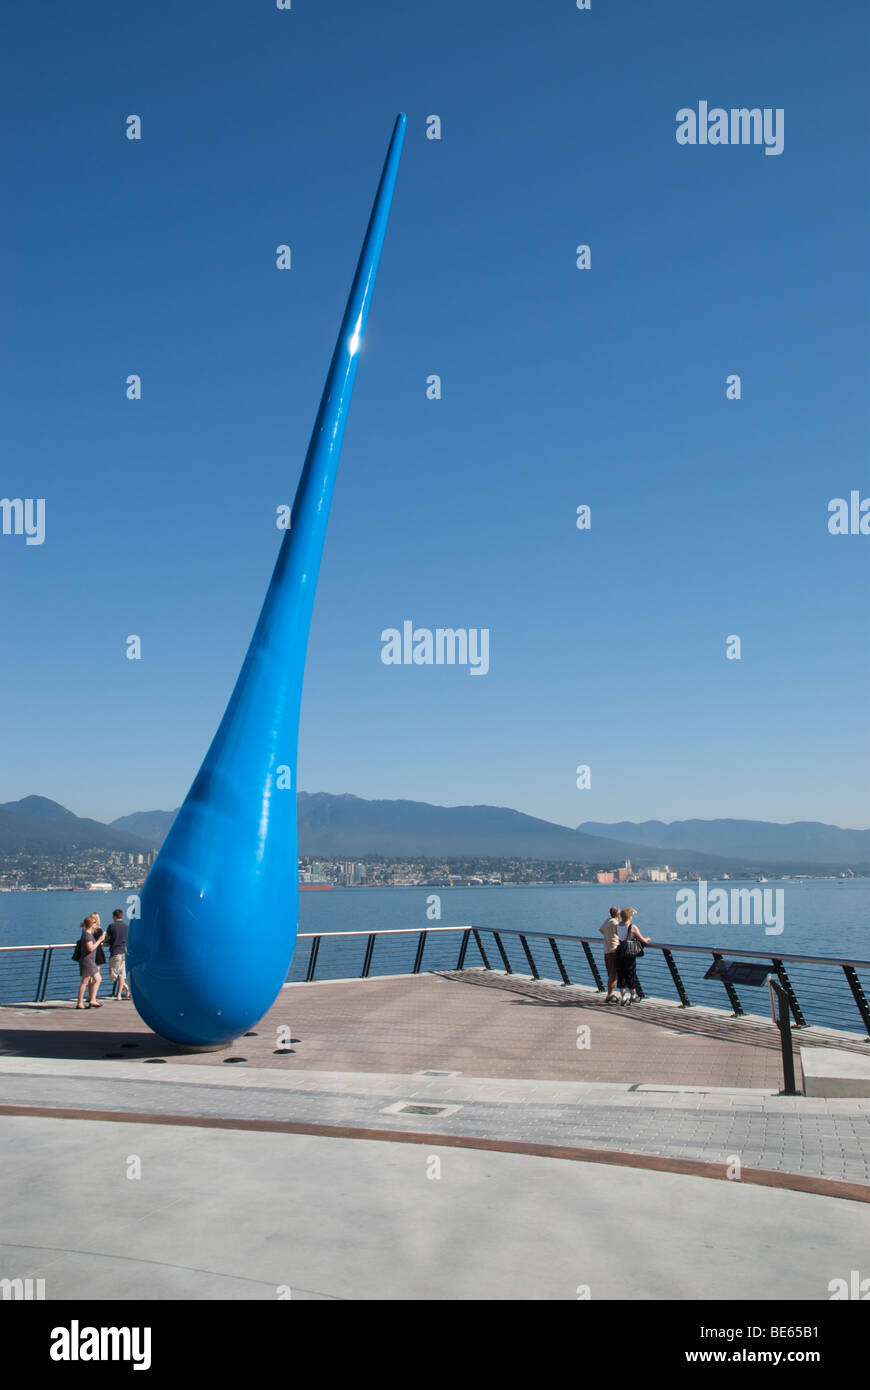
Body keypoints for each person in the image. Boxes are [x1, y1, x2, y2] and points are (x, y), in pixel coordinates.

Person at [615, 907, 650, 1006]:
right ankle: (633, 995)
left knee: (621, 974)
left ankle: (623, 997)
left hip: (620, 952)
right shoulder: (632, 927)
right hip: (629, 953)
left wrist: (631, 910)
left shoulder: (618, 926)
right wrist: (647, 939)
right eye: (632, 915)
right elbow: (642, 939)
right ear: (630, 916)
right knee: (630, 974)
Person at [75, 914, 106, 1009]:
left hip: (91, 961)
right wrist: (100, 940)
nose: (96, 924)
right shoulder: (87, 935)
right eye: (94, 923)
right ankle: (80, 1003)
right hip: (87, 961)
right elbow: (90, 948)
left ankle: (92, 1000)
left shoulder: (88, 934)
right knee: (84, 982)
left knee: (98, 979)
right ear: (91, 924)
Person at [105, 908, 131, 1000]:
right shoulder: (127, 926)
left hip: (115, 952)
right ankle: (120, 994)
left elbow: (107, 939)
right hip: (123, 952)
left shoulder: (111, 926)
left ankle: (126, 989)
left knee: (113, 974)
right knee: (121, 974)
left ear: (115, 916)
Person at [598, 905, 621, 1002]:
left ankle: (610, 994)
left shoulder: (608, 921)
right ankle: (610, 995)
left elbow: (601, 929)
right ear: (618, 914)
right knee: (614, 974)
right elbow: (621, 933)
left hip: (607, 950)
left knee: (611, 973)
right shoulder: (615, 923)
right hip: (614, 951)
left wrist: (608, 936)